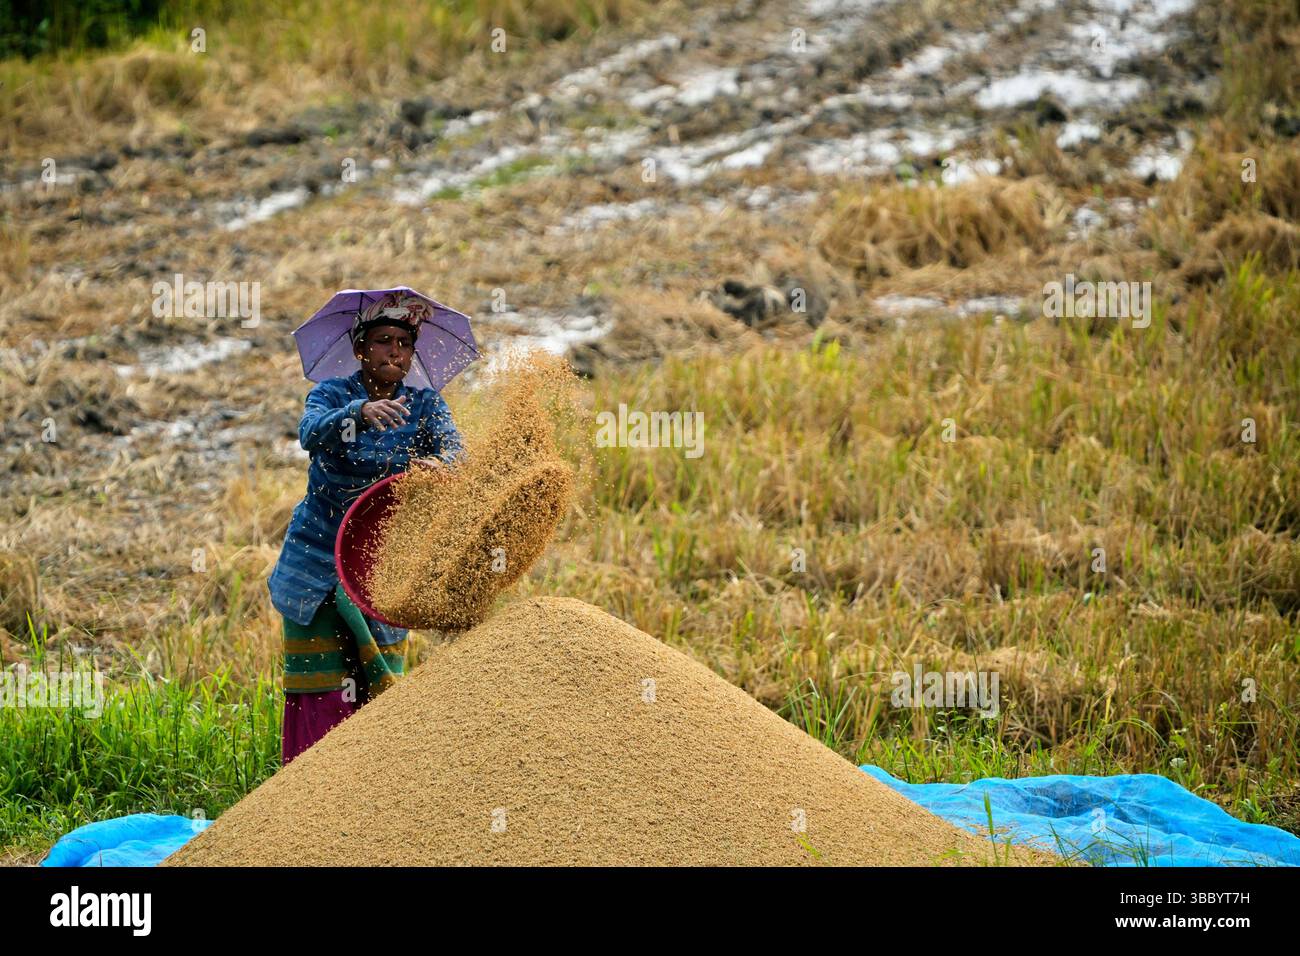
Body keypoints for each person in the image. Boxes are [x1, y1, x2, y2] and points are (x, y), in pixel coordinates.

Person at [268, 292, 462, 765]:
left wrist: (439, 465)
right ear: (360, 349)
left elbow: (456, 451)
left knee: (381, 692)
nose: (394, 352)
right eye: (382, 342)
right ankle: (308, 789)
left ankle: (370, 792)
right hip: (316, 560)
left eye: (403, 343)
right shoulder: (333, 394)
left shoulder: (426, 406)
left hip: (381, 563)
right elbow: (308, 433)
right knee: (322, 690)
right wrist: (357, 414)